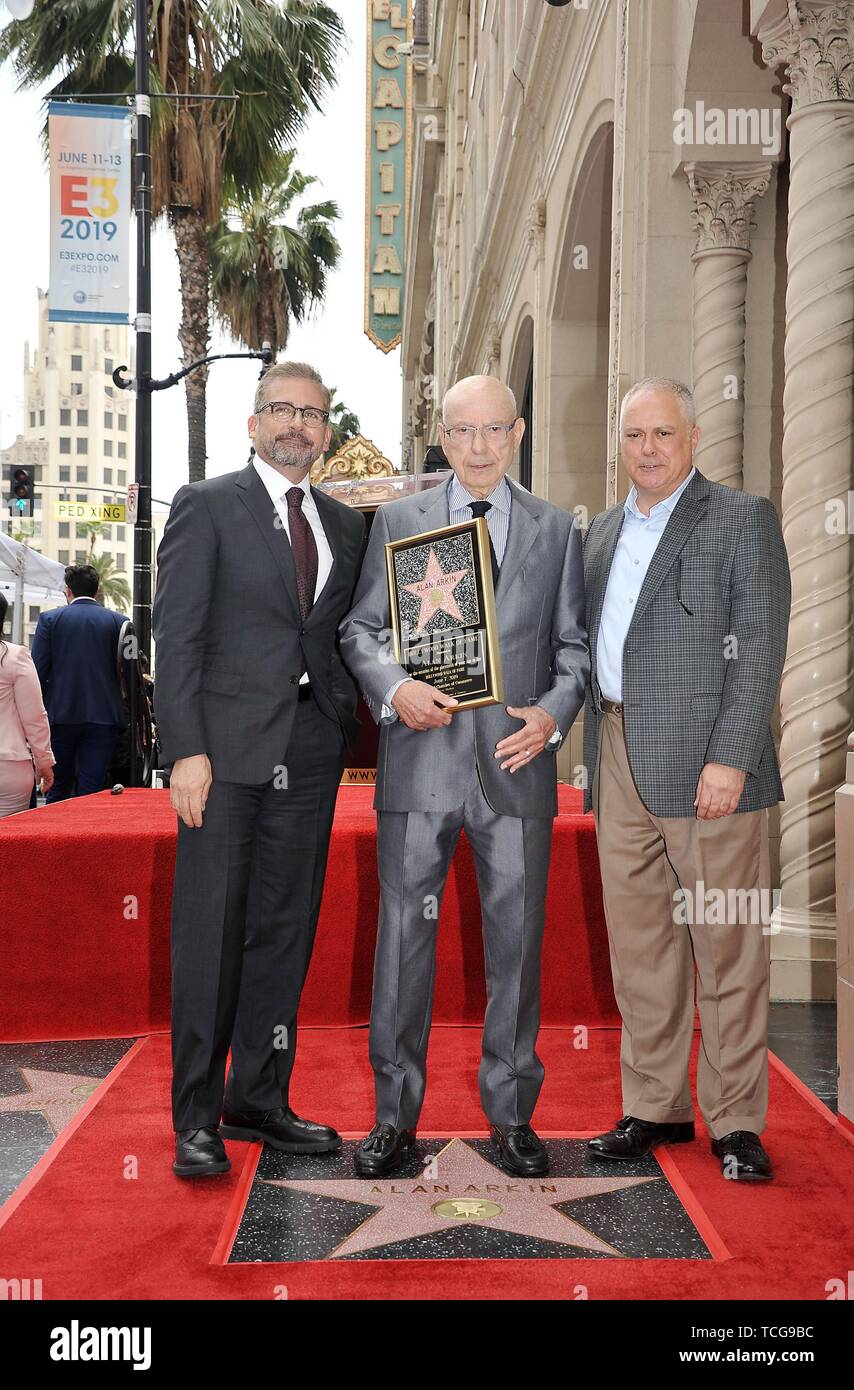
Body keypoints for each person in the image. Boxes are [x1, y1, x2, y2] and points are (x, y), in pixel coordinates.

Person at [340, 374, 589, 1179]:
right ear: (443, 439)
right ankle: (391, 1117)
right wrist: (395, 687)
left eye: (494, 430)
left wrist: (551, 717)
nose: (479, 446)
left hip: (517, 768)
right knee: (403, 944)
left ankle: (513, 1113)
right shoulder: (401, 523)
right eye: (462, 432)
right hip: (420, 767)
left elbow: (574, 651)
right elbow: (361, 630)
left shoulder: (557, 530)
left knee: (517, 946)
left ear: (518, 433)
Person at [153, 361, 366, 1179]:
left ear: (327, 429)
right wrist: (186, 752)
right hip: (223, 757)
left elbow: (355, 633)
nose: (297, 426)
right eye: (282, 409)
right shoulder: (207, 506)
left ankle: (260, 1098)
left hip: (311, 754)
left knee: (285, 930)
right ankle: (197, 1118)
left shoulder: (348, 526)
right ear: (253, 423)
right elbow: (179, 637)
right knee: (210, 933)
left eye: (313, 414)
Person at [582, 377, 791, 1182]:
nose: (647, 449)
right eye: (635, 435)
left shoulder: (741, 519)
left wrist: (733, 756)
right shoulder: (599, 534)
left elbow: (761, 644)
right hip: (617, 749)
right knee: (642, 950)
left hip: (710, 764)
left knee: (728, 947)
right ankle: (655, 1108)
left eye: (662, 434)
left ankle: (737, 1123)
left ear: (693, 438)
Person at [31, 564, 126, 802]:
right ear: (97, 591)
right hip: (104, 716)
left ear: (67, 591)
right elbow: (128, 672)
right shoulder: (119, 622)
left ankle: (55, 836)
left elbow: (38, 672)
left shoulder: (50, 620)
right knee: (92, 789)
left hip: (60, 714)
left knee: (58, 786)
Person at [0, 593, 54, 816]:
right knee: (9, 846)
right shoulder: (15, 657)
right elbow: (34, 717)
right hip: (8, 767)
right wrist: (44, 760)